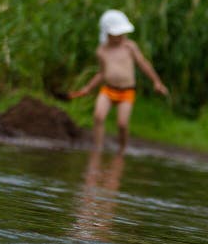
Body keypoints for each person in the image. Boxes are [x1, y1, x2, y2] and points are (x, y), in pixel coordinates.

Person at [70, 9, 169, 153]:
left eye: (123, 33)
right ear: (108, 34)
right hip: (108, 89)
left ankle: (122, 151)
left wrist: (157, 82)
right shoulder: (102, 51)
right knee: (98, 116)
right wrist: (88, 88)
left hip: (126, 92)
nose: (122, 36)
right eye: (118, 34)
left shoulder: (129, 47)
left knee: (122, 124)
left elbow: (143, 64)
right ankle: (97, 149)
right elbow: (102, 73)